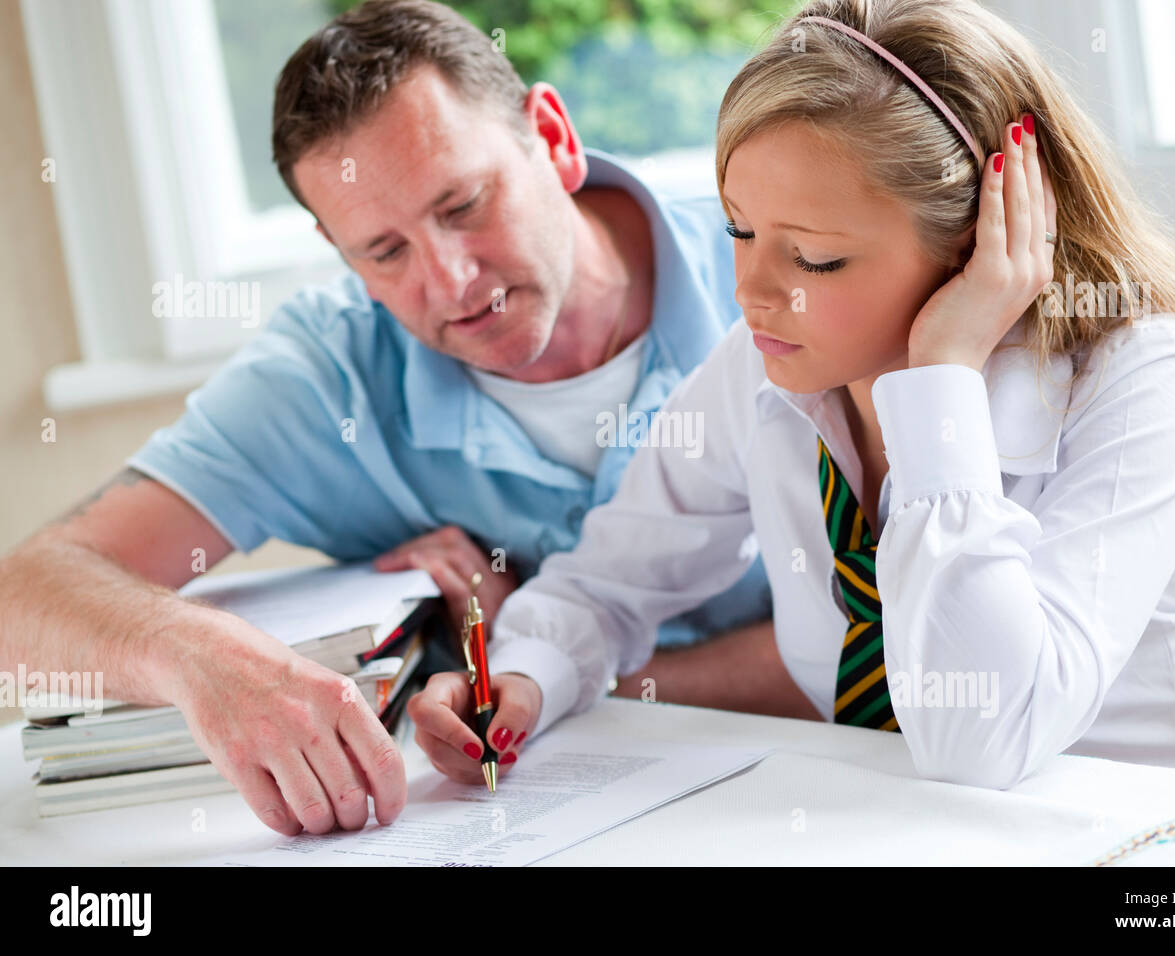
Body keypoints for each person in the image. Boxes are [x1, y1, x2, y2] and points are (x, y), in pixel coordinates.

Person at [409, 0, 1175, 789]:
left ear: (976, 245)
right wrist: (519, 679)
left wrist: (941, 377)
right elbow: (609, 582)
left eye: (815, 258)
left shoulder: (1145, 379)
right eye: (740, 231)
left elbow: (983, 743)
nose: (751, 291)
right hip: (893, 827)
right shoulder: (766, 360)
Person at [0, 0, 794, 837]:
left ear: (554, 138)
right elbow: (24, 597)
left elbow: (889, 650)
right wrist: (203, 656)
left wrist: (534, 665)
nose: (450, 280)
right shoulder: (324, 381)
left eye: (463, 206)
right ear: (339, 251)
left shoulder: (781, 273)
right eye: (385, 251)